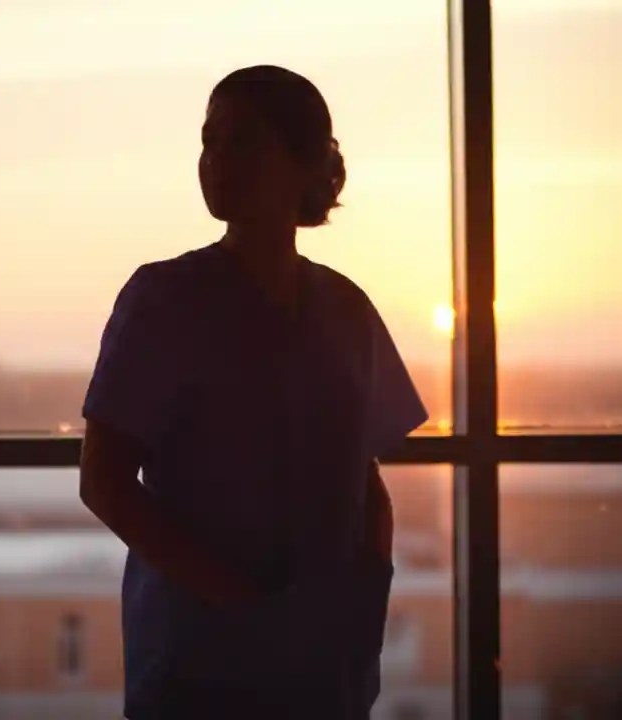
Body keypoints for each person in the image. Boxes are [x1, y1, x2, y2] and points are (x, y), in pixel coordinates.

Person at [79, 64, 428, 719]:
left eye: (241, 141)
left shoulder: (348, 309)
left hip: (323, 665)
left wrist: (360, 598)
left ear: (303, 163)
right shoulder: (163, 300)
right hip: (199, 664)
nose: (214, 160)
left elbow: (365, 478)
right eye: (209, 140)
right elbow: (103, 480)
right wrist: (236, 602)